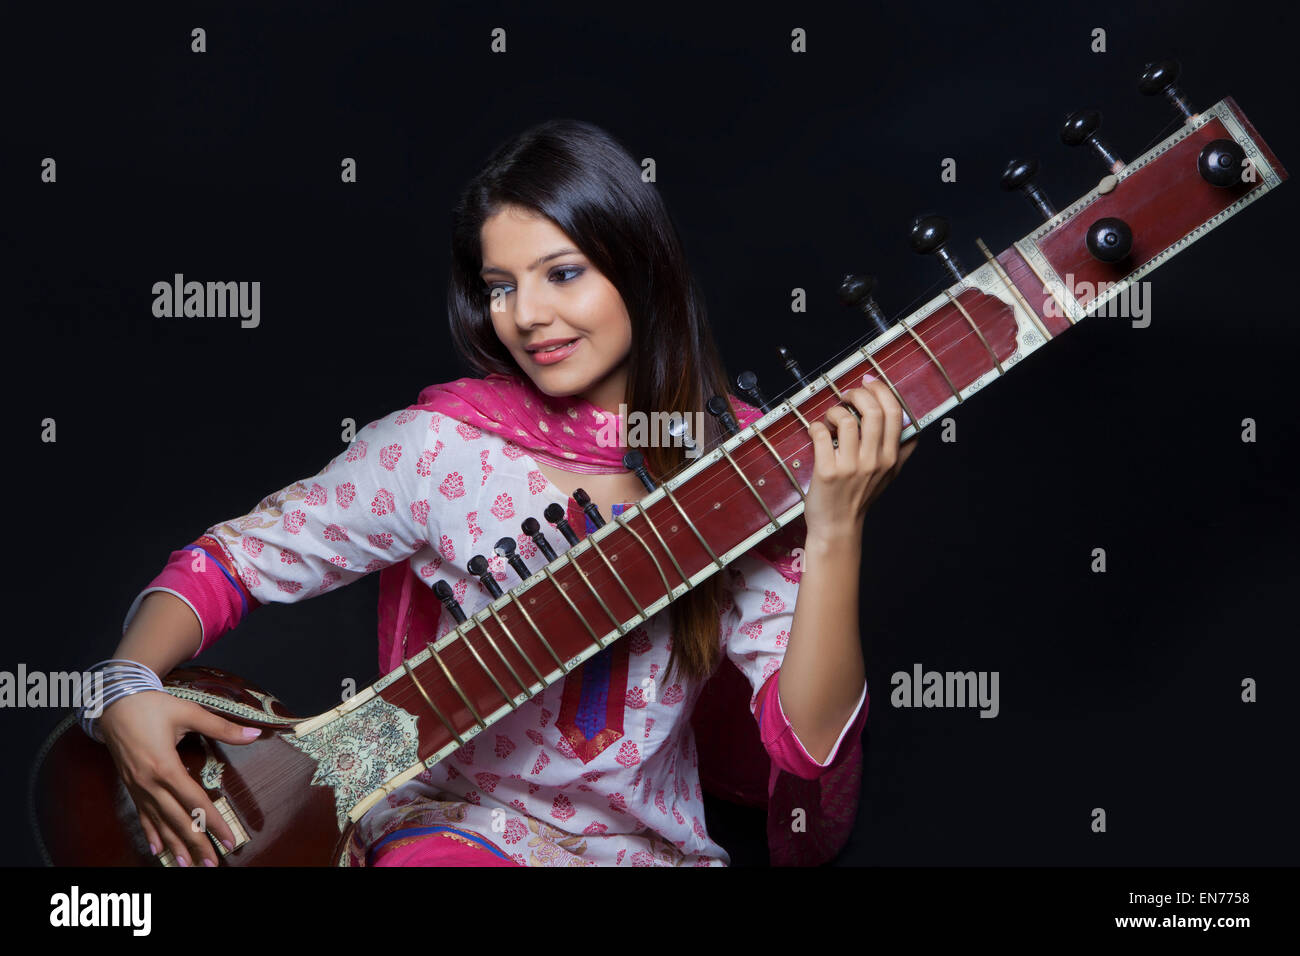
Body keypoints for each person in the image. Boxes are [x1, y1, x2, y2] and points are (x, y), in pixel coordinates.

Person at [85, 118, 917, 867]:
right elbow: (230, 563)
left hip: (646, 852)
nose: (527, 316)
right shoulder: (442, 449)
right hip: (461, 831)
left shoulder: (730, 468)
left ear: (642, 268)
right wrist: (124, 686)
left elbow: (807, 742)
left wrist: (835, 528)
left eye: (563, 273)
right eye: (500, 286)